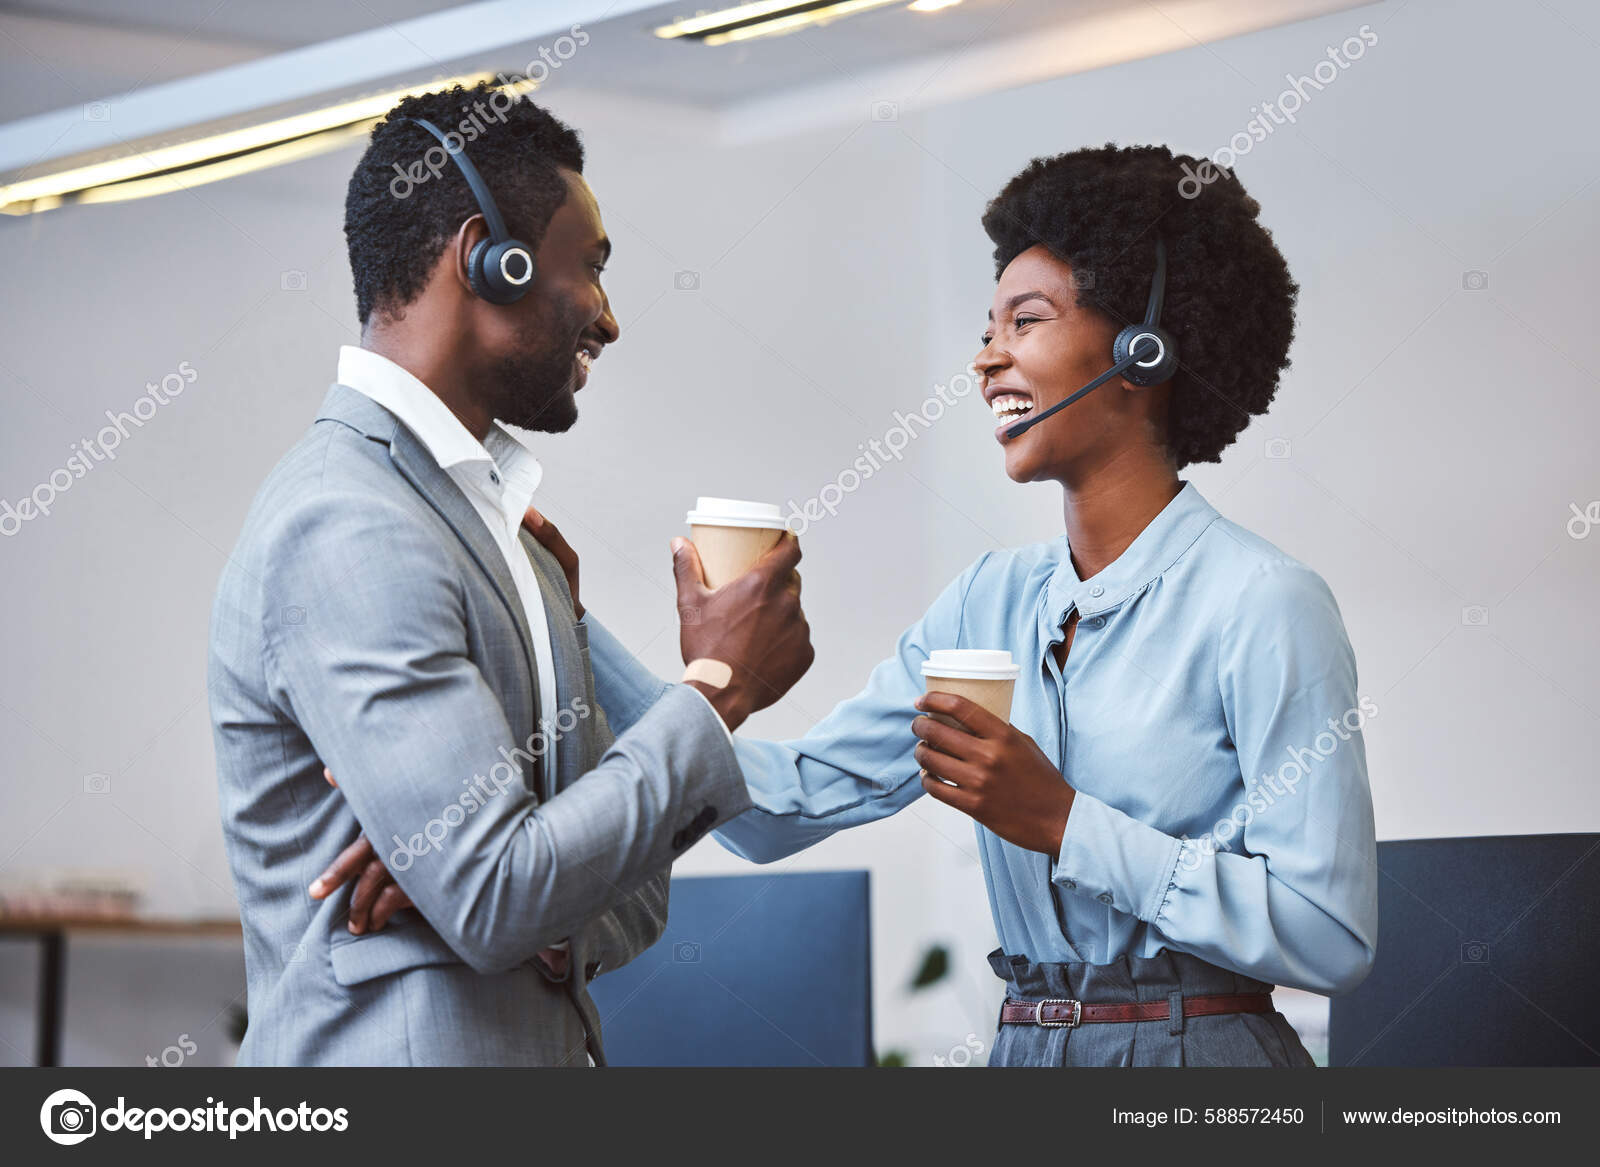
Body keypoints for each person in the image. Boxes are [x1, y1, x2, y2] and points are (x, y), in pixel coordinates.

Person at [318, 145, 1378, 1067]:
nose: (986, 356)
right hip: (1026, 1049)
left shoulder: (1262, 604)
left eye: (1028, 320)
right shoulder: (989, 603)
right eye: (986, 324)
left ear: (1143, 352)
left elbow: (1329, 933)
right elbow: (775, 812)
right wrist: (568, 624)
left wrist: (1064, 825)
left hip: (1203, 1062)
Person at [208, 81, 813, 1067]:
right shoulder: (348, 522)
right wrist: (717, 687)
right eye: (594, 270)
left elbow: (627, 893)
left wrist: (515, 887)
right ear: (492, 260)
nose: (609, 321)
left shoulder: (516, 546)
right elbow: (496, 895)